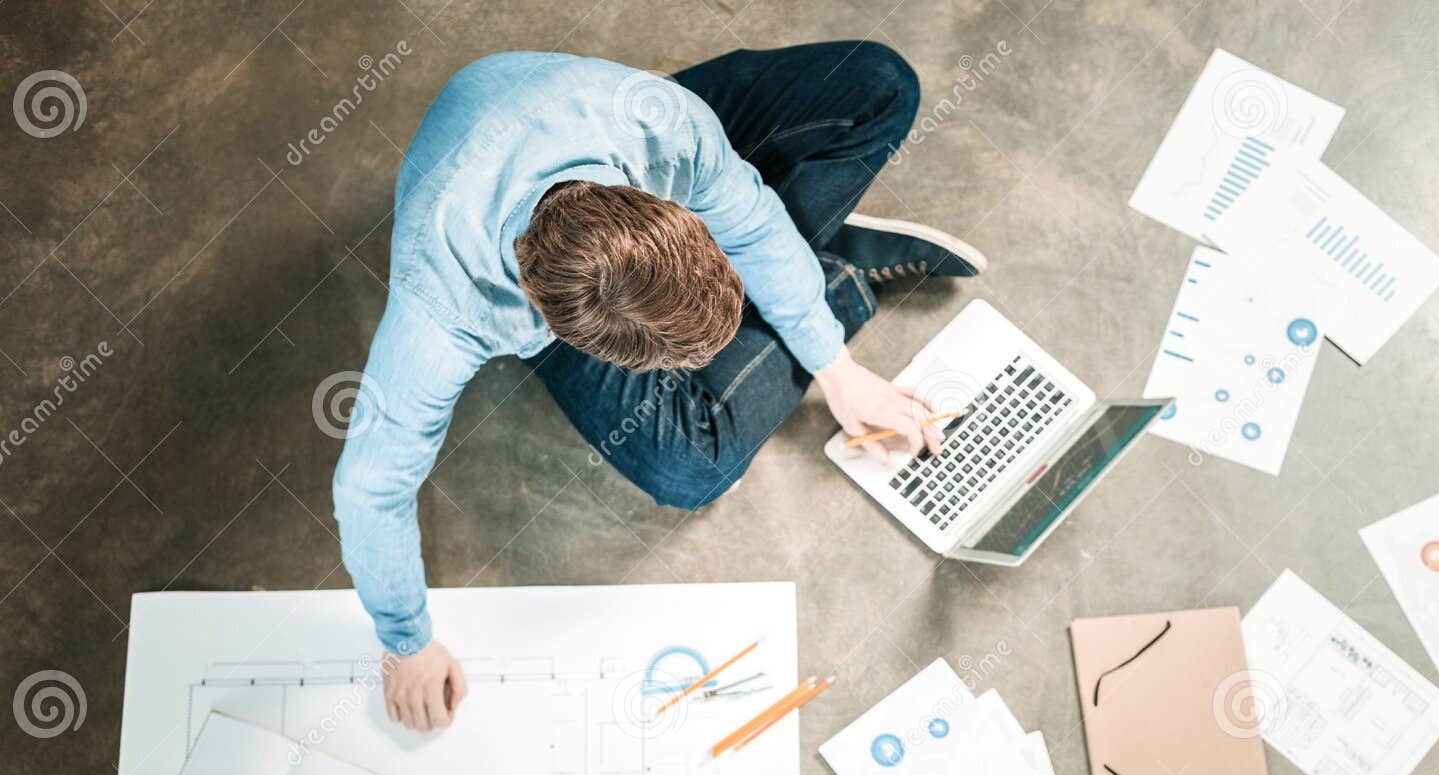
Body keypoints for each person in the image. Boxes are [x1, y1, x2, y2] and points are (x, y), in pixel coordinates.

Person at [333, 43, 987, 733]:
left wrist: (838, 370)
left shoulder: (667, 129)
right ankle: (834, 271)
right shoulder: (441, 309)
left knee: (880, 83)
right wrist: (404, 642)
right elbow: (369, 487)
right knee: (690, 468)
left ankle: (809, 275)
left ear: (663, 206)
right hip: (491, 229)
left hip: (591, 122)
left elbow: (755, 227)